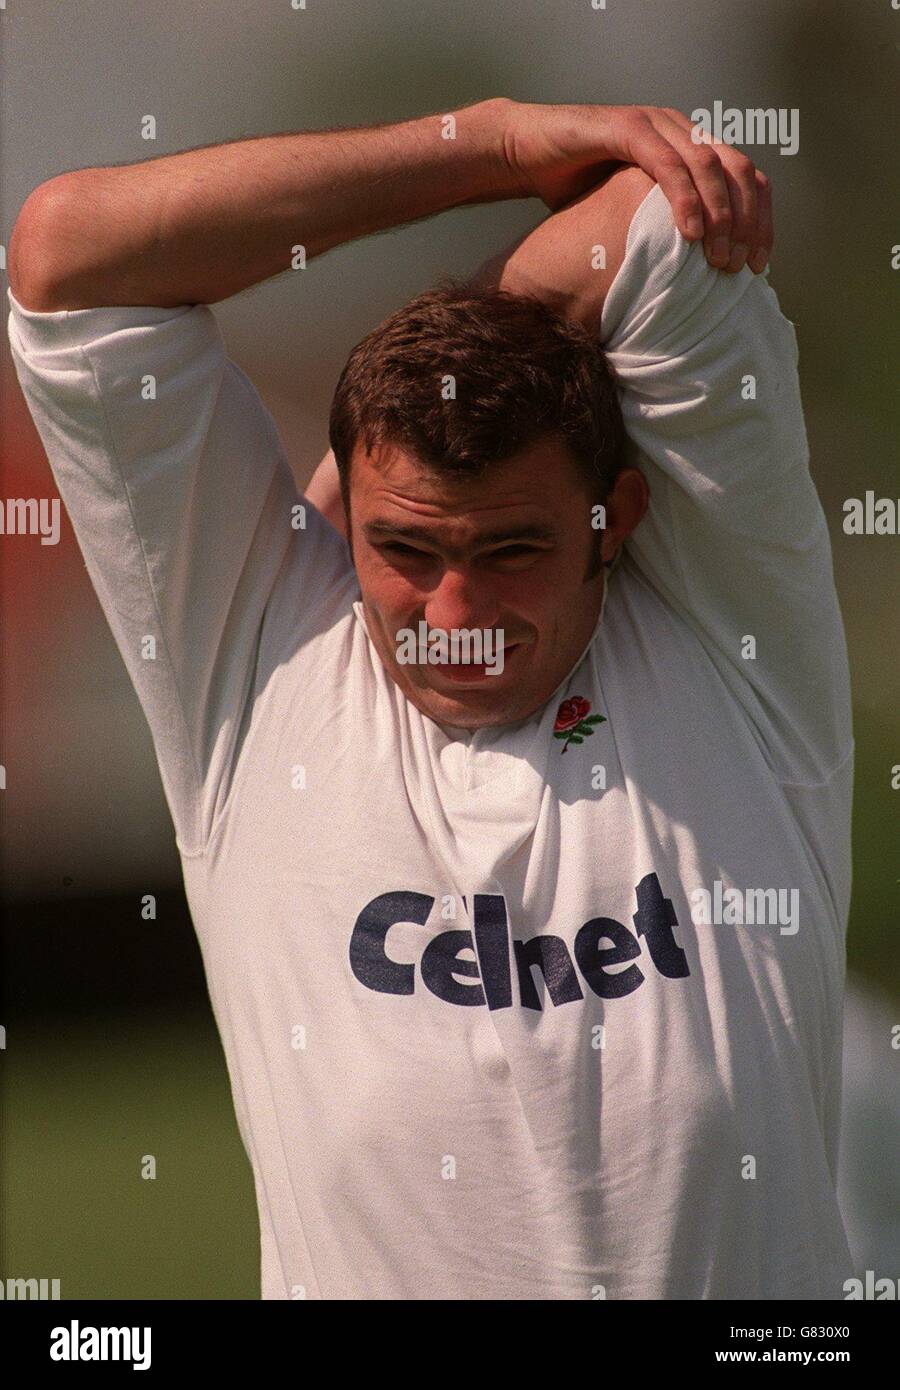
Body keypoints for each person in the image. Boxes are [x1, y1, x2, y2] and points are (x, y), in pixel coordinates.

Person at [7, 99, 854, 1299]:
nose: (454, 618)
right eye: (406, 548)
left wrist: (439, 355)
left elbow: (657, 216)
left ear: (618, 514)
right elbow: (66, 250)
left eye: (511, 549)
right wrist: (495, 142)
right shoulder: (257, 661)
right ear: (342, 511)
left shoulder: (732, 643)